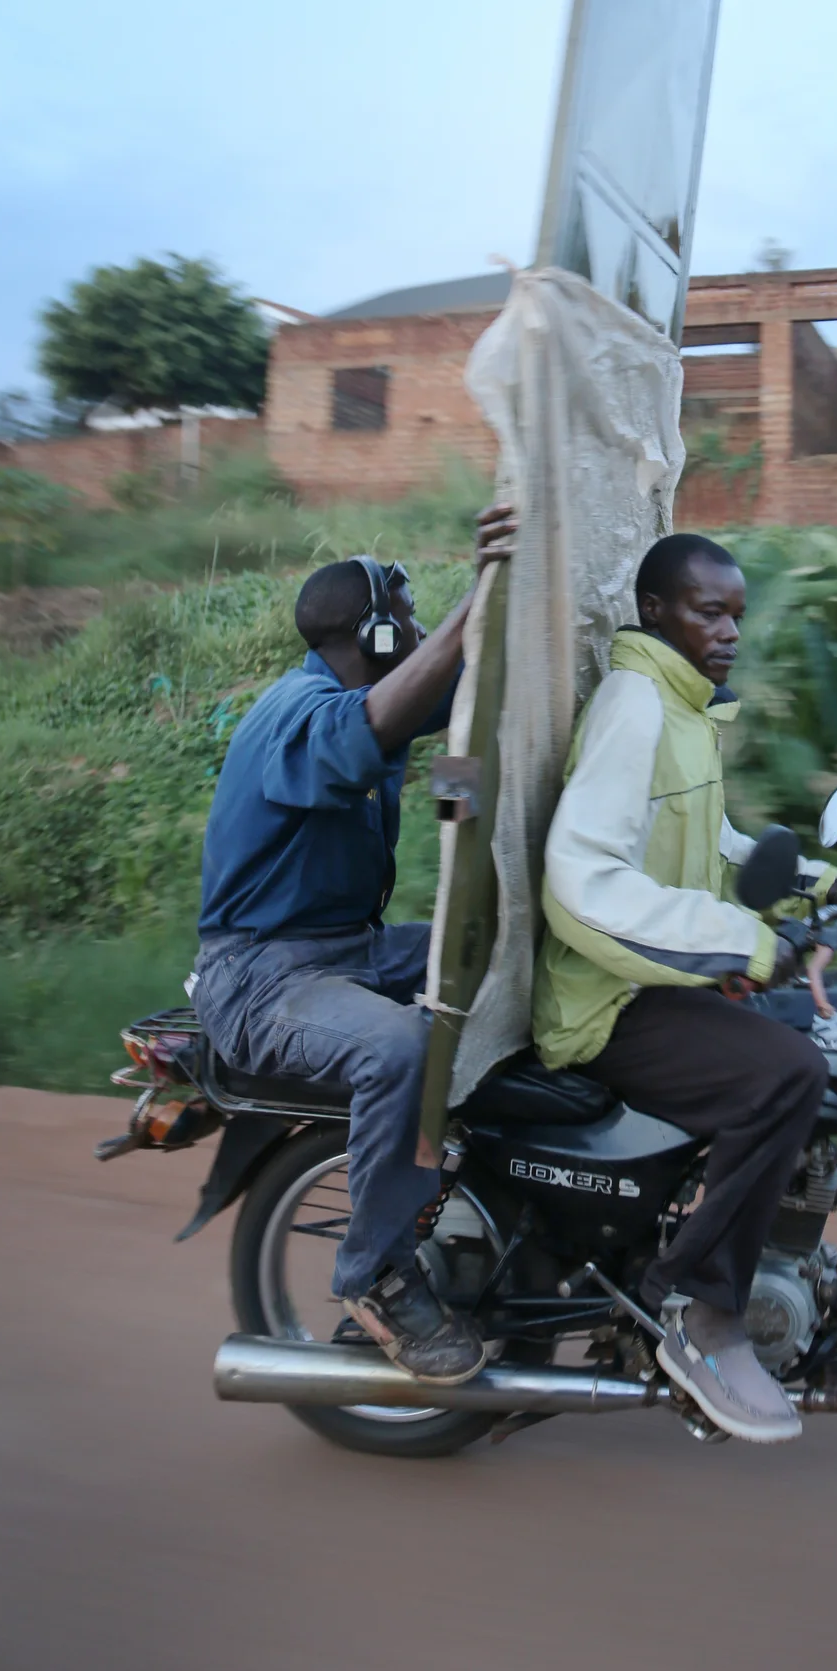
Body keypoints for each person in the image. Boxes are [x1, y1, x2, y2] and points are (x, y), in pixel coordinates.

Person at [192, 506, 514, 1383]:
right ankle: (373, 1275)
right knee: (398, 1045)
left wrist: (476, 814)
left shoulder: (372, 703)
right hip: (259, 975)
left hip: (350, 947)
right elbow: (372, 729)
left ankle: (488, 1178)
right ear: (371, 631)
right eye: (405, 617)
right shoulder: (297, 713)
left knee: (501, 948)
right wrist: (477, 594)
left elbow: (465, 703)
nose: (416, 630)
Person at [533, 531, 837, 1446]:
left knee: (830, 1041)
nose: (730, 632)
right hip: (606, 1000)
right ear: (658, 611)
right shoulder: (637, 707)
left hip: (653, 975)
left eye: (738, 615)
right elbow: (582, 883)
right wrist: (745, 943)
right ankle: (698, 1312)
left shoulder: (684, 709)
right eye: (711, 612)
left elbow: (702, 850)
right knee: (786, 1074)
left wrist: (821, 886)